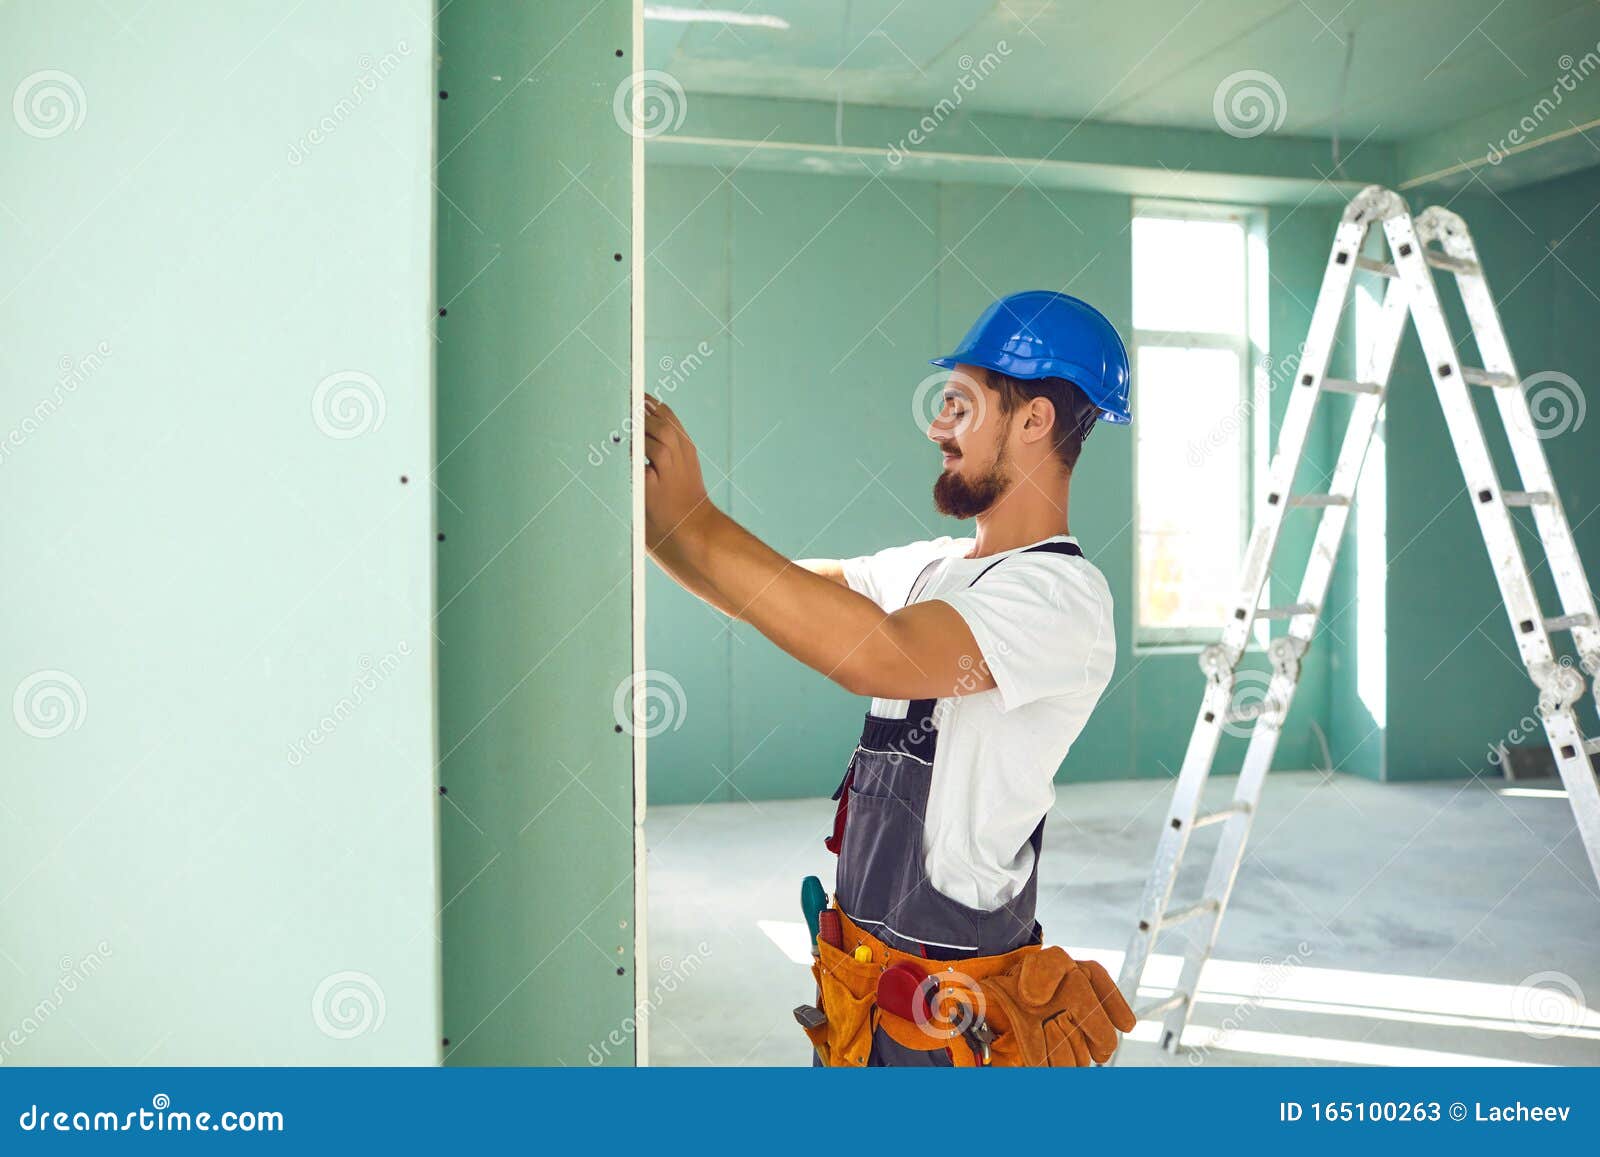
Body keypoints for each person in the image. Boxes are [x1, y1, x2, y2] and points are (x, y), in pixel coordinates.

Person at [644, 290, 1136, 1066]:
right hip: (858, 998)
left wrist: (697, 518)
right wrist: (663, 527)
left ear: (1035, 419)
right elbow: (771, 595)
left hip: (946, 1028)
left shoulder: (1062, 598)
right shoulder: (931, 567)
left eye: (961, 405)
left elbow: (880, 653)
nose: (939, 427)